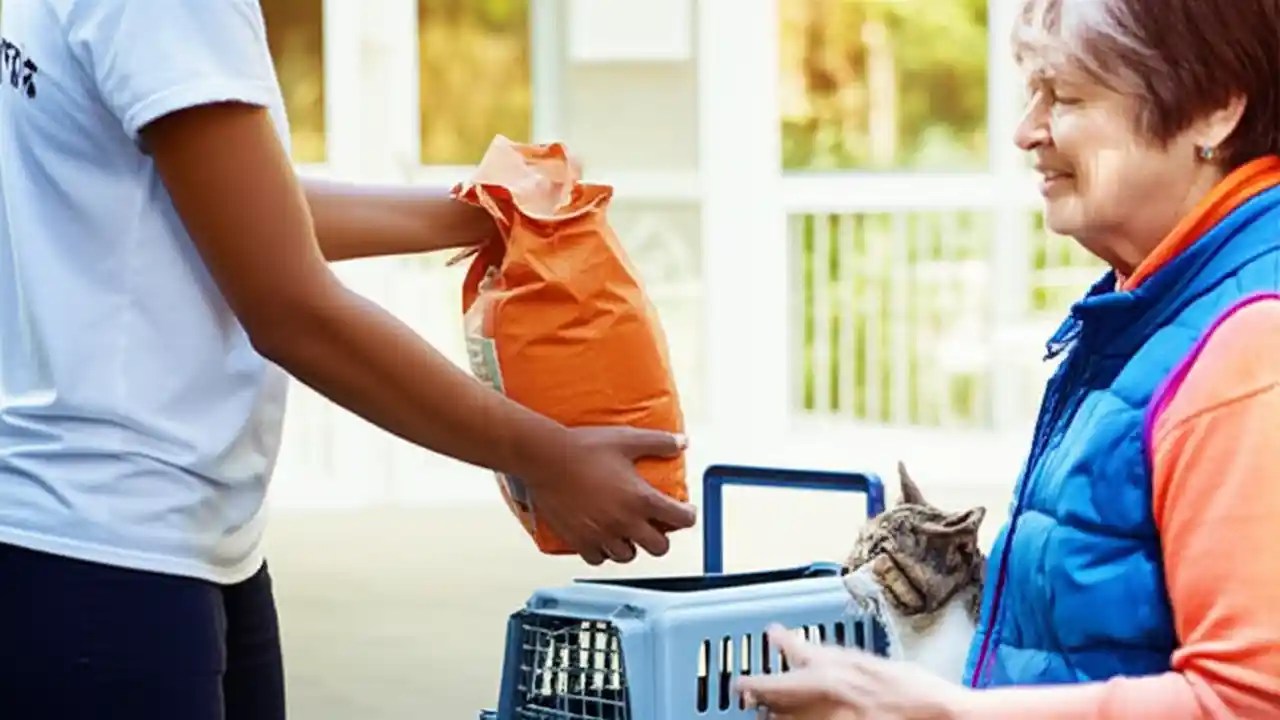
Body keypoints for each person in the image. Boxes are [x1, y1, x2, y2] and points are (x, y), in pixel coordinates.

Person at [0, 1, 695, 718]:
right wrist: (543, 454)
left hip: (165, 537)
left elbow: (232, 204)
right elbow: (291, 310)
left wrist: (478, 212)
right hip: (110, 555)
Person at [738, 0, 1280, 717]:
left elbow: (1249, 702)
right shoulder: (1147, 311)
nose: (1027, 130)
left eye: (1066, 96)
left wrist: (942, 711)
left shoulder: (1247, 345)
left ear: (1215, 109)